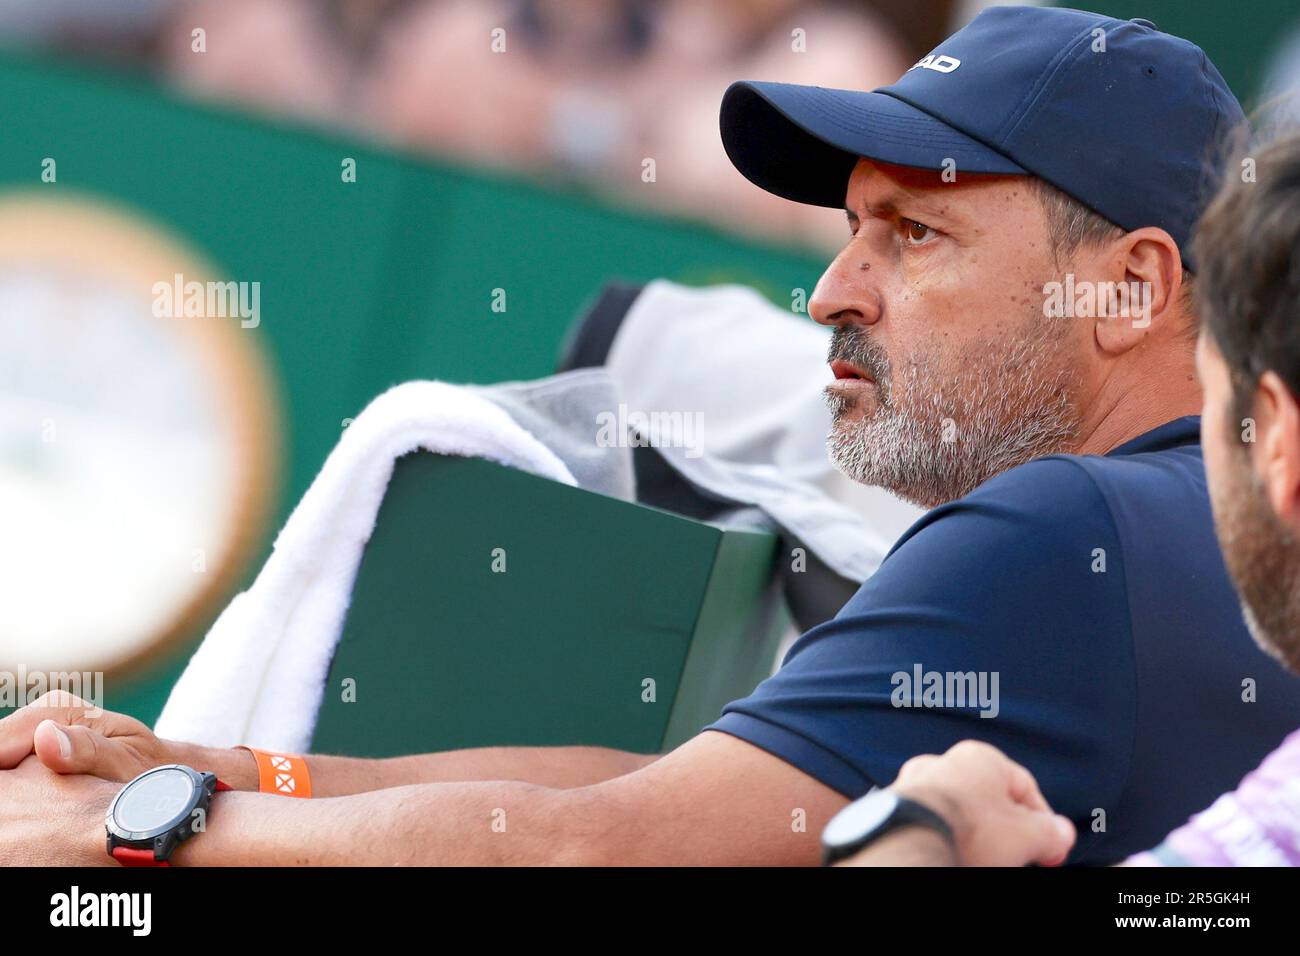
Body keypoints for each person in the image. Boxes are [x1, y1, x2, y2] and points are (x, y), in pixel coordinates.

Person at [0, 7, 1294, 867]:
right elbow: (702, 784)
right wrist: (220, 766)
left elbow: (598, 850)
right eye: (851, 229)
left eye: (915, 235)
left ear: (1128, 290)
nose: (837, 291)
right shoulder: (1185, 535)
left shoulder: (1063, 536)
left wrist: (137, 826)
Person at [840, 126, 1300, 868]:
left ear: (1280, 443)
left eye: (919, 231)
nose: (833, 294)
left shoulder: (1060, 517)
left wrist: (917, 830)